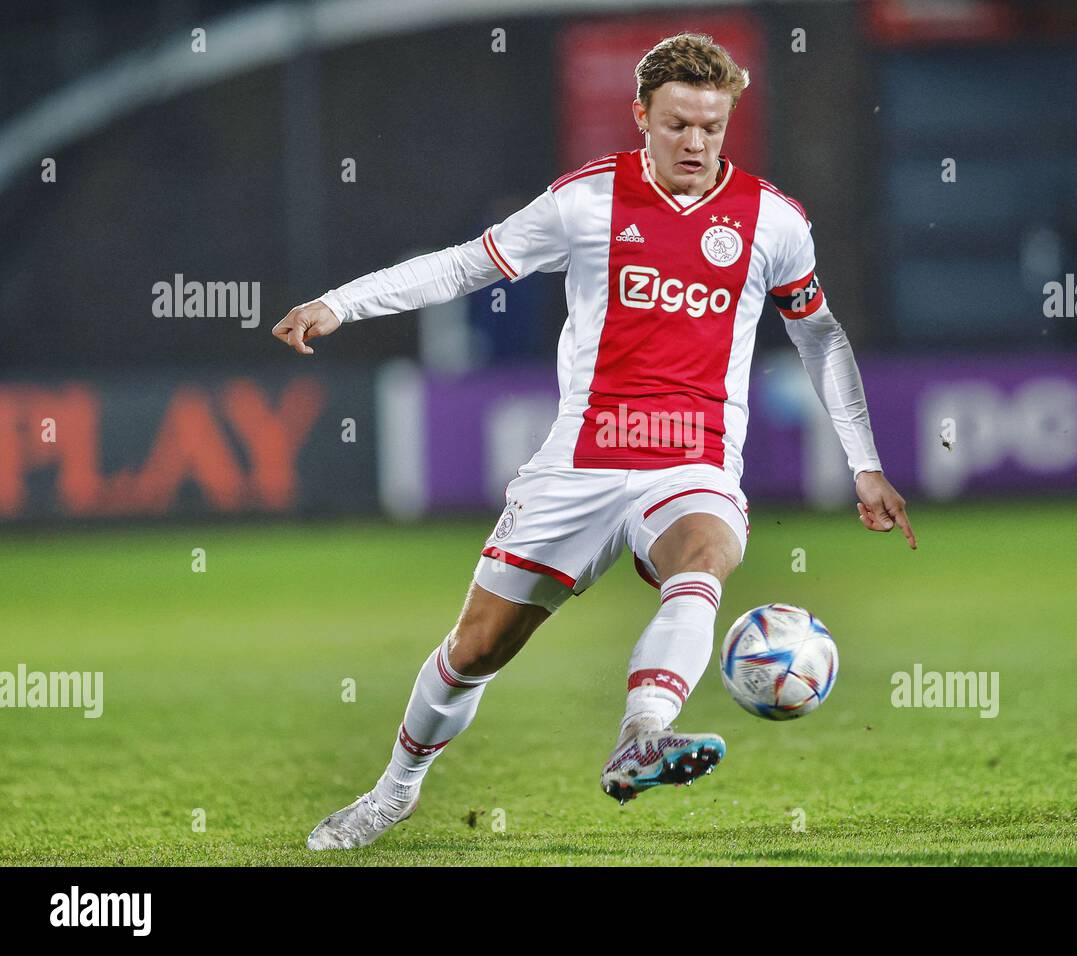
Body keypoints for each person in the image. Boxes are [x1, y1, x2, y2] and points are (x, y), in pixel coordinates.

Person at [272, 32, 915, 851]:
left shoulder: (773, 222)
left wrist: (864, 463)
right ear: (640, 114)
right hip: (579, 463)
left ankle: (643, 732)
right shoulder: (586, 202)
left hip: (694, 458)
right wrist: (340, 303)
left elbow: (819, 336)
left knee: (705, 554)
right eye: (679, 124)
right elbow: (469, 267)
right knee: (475, 650)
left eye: (712, 128)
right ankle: (394, 792)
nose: (695, 143)